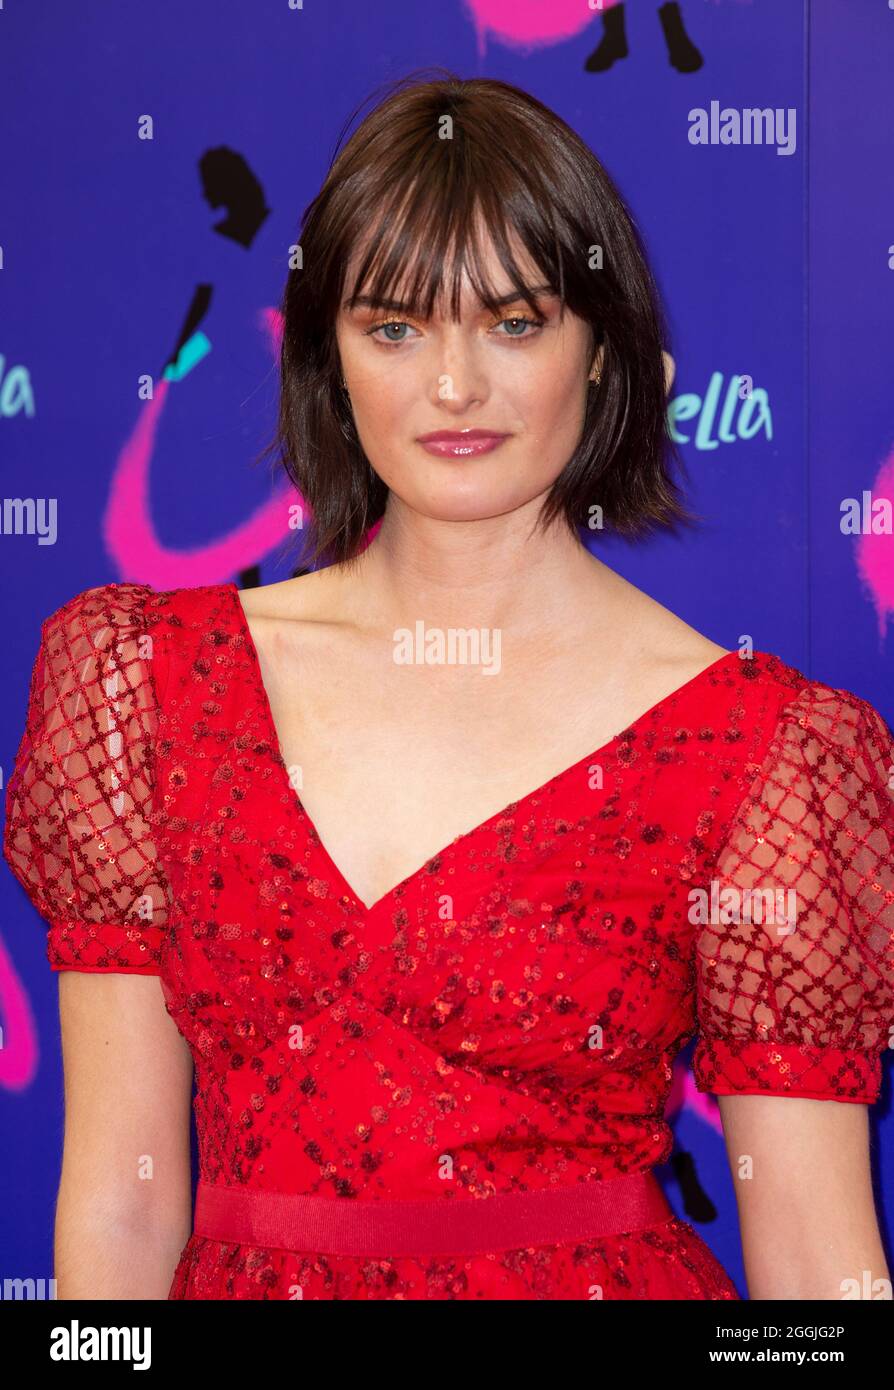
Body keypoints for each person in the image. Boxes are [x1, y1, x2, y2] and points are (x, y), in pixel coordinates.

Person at [5, 70, 893, 1301]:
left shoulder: (770, 751)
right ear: (328, 353)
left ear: (604, 350)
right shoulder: (144, 685)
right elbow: (120, 1197)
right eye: (395, 326)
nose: (455, 386)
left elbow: (810, 1252)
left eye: (516, 322)